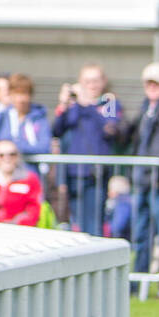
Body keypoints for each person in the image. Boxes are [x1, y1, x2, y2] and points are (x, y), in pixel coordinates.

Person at [51, 62, 122, 235]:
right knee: (78, 222)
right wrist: (64, 103)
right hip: (74, 172)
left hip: (96, 173)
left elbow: (110, 129)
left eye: (95, 80)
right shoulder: (73, 105)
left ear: (103, 81)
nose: (91, 85)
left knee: (94, 222)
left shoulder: (109, 102)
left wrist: (87, 105)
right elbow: (56, 130)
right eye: (87, 81)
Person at [125, 62, 159, 277]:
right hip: (143, 179)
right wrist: (110, 108)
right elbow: (122, 131)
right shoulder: (144, 108)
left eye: (156, 84)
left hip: (158, 180)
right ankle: (138, 280)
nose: (152, 88)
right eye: (148, 84)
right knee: (140, 233)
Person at [0, 73, 50, 158]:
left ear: (30, 95)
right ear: (11, 95)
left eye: (24, 94)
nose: (21, 99)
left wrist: (13, 146)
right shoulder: (0, 117)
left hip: (30, 169)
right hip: (4, 167)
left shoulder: (39, 119)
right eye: (17, 94)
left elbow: (44, 147)